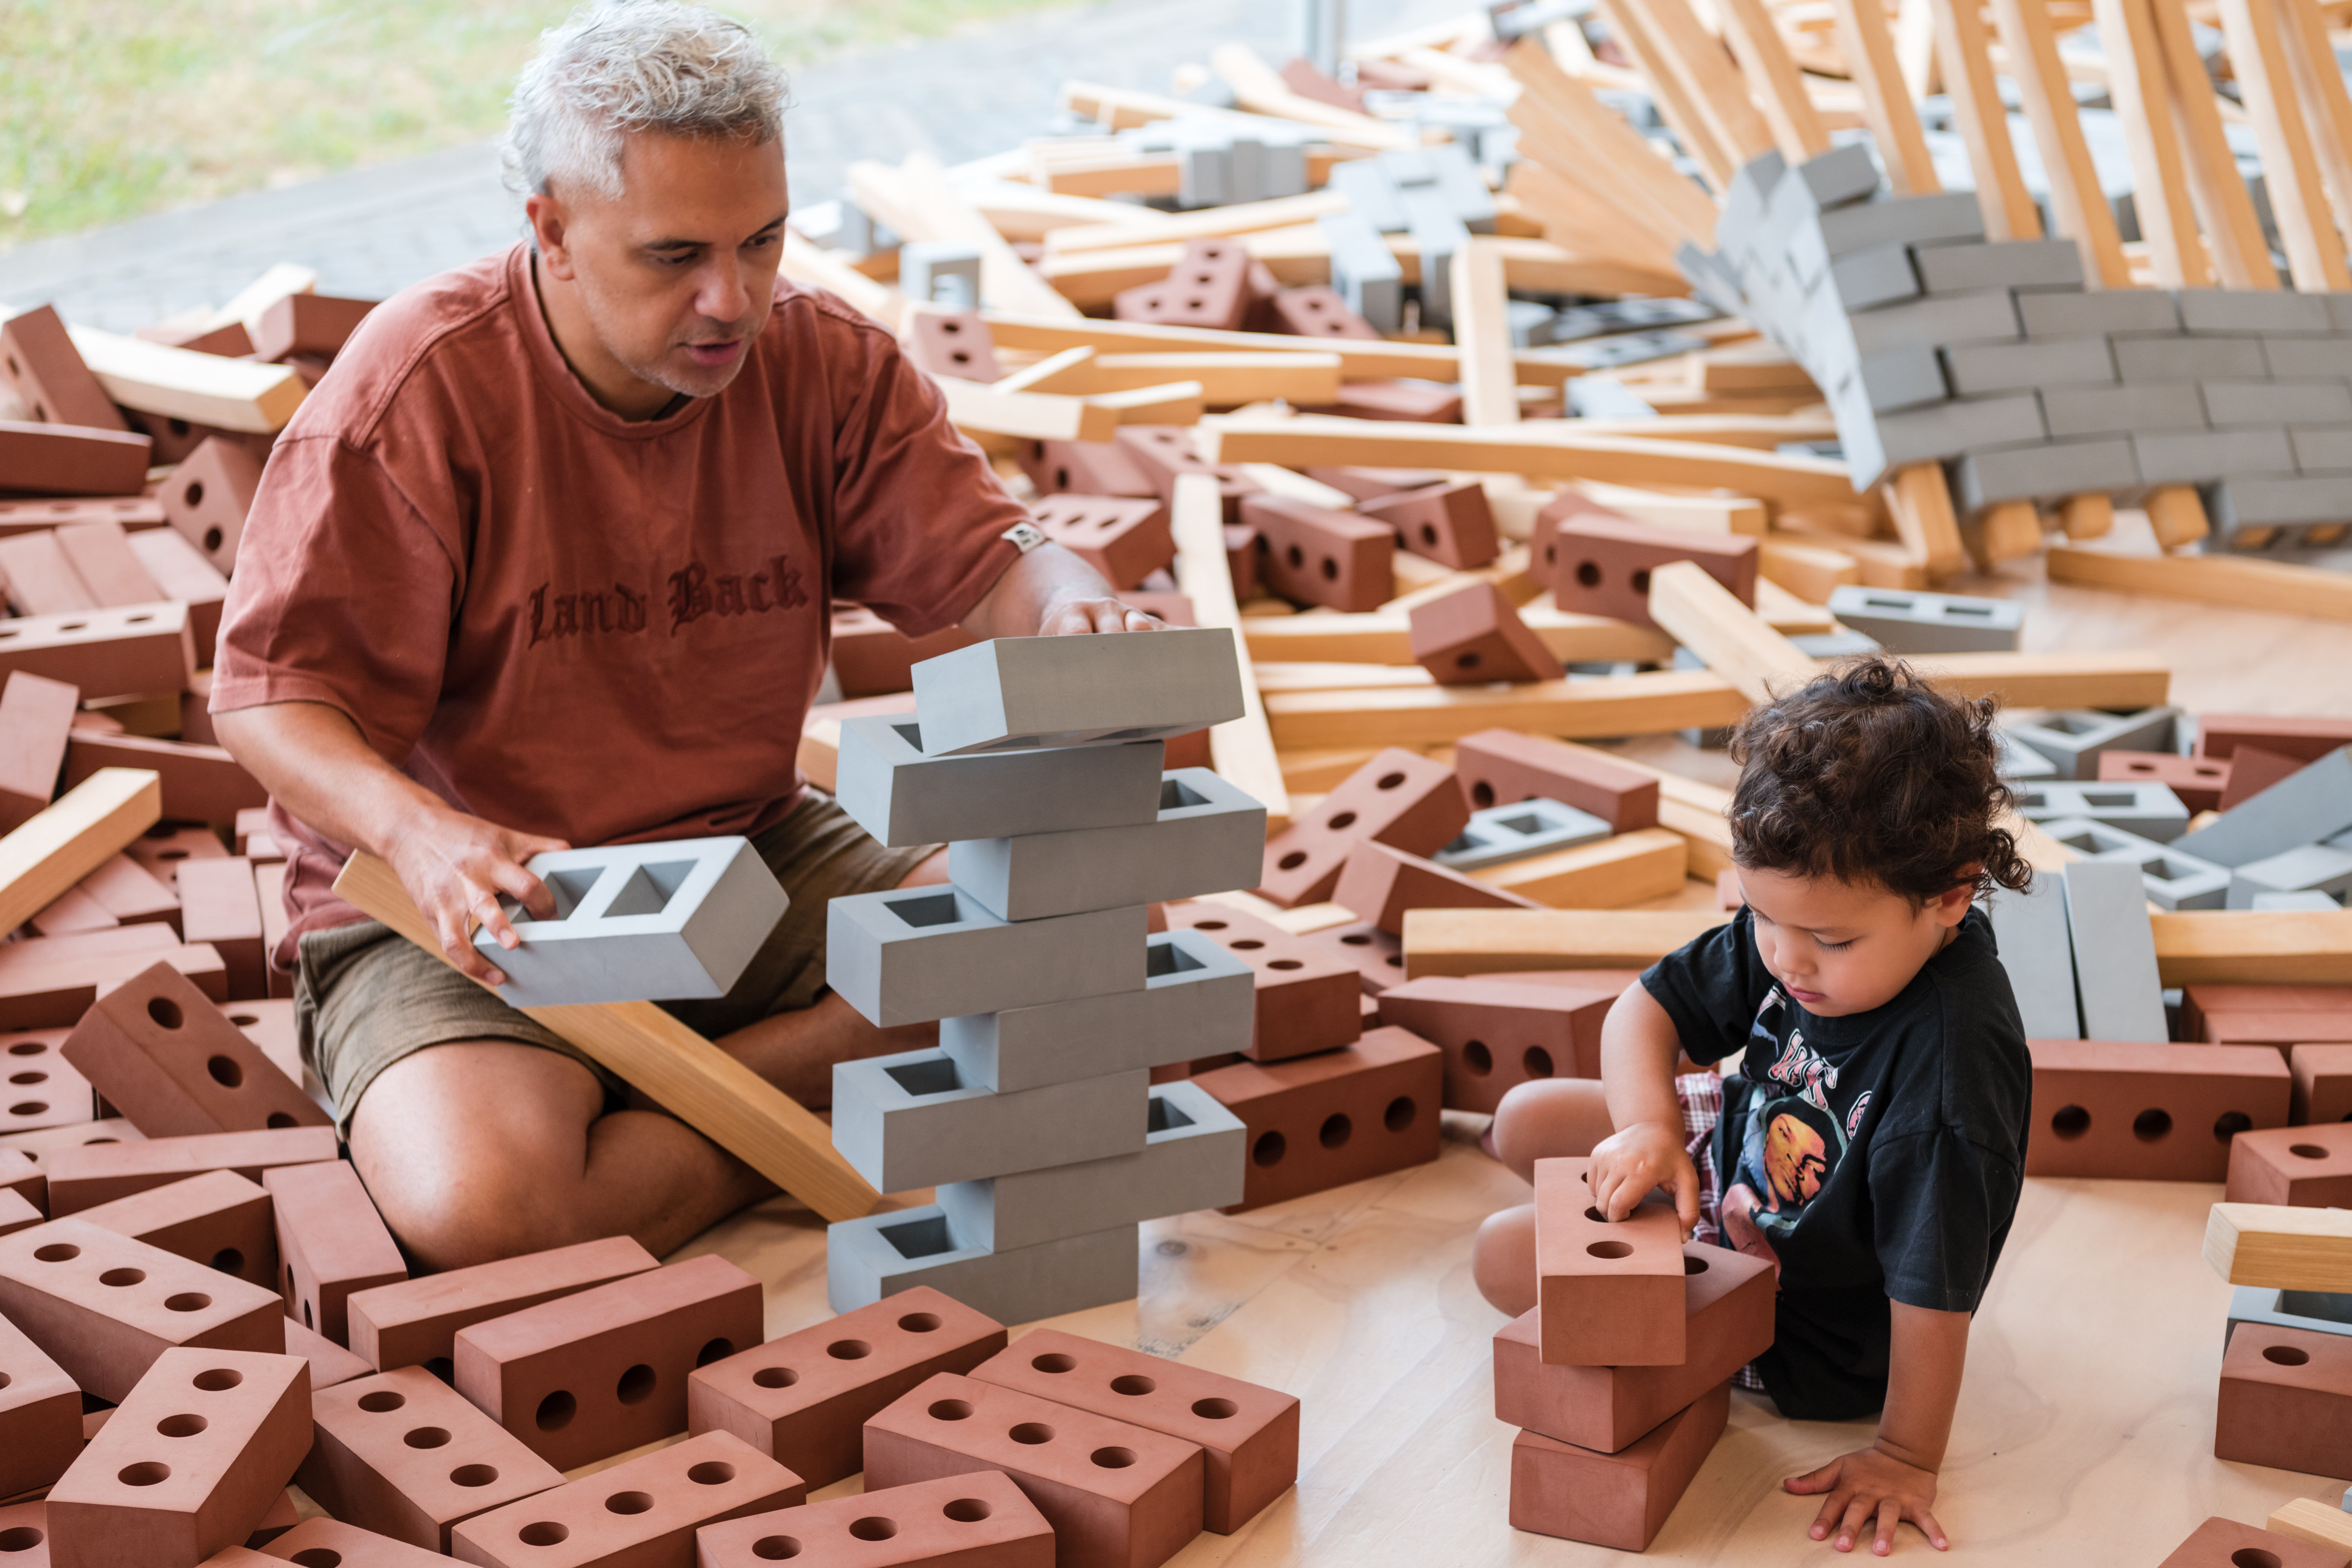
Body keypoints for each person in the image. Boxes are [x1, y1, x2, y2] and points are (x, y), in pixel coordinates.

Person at [209, 2, 1159, 1271]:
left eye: (761, 241)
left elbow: (1003, 568)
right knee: (488, 1216)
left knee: (1098, 935)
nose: (733, 298)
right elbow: (266, 700)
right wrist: (418, 834)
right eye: (674, 258)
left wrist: (1075, 606)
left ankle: (676, 1097)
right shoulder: (416, 389)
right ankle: (781, 1093)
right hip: (476, 898)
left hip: (746, 852)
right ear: (549, 226)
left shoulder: (822, 362)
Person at [1470, 658, 2033, 1557]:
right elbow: (1643, 1010)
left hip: (1802, 1317)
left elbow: (1932, 1293)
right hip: (1737, 1156)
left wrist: (1904, 1453)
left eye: (1829, 940)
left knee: (1502, 1256)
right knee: (1526, 1116)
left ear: (1950, 897)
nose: (1785, 960)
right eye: (1762, 919)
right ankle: (1651, 1188)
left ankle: (1678, 1328)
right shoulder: (1811, 908)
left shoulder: (1947, 1085)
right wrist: (1651, 1130)